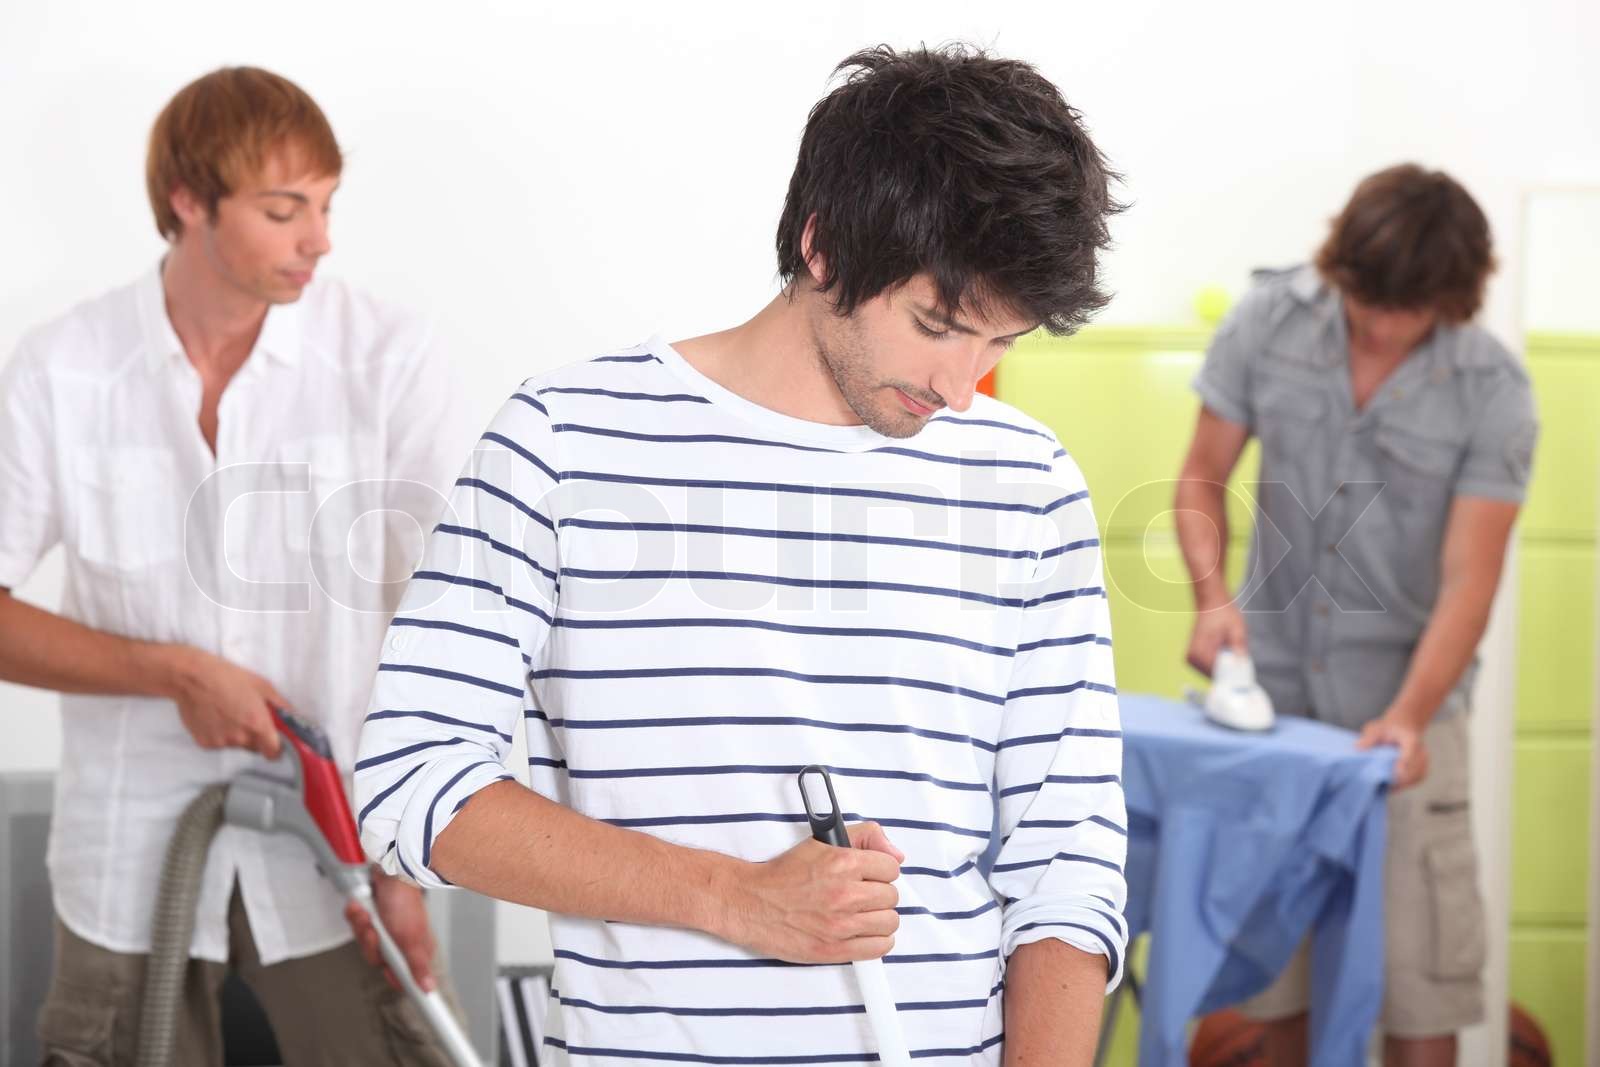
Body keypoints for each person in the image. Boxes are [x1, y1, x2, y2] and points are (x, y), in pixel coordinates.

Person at [354, 44, 1128, 1065]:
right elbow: (410, 783)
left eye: (1000, 343)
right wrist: (734, 896)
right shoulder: (566, 439)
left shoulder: (1027, 478)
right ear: (822, 245)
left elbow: (1066, 858)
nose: (960, 386)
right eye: (937, 325)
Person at [0, 66, 468, 1065]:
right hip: (129, 857)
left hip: (344, 853)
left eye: (327, 206)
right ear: (188, 202)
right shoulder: (62, 369)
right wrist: (172, 673)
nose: (320, 240)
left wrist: (402, 857)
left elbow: (442, 622)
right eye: (284, 210)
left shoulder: (387, 357)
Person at [1174, 164, 1539, 1067]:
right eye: (1363, 301)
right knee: (1277, 989)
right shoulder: (1267, 321)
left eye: (1401, 314)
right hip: (1275, 712)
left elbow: (1471, 579)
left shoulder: (1493, 389)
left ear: (1449, 301)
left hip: (1410, 722)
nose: (1374, 327)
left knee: (1418, 990)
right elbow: (1200, 479)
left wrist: (1409, 715)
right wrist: (1213, 600)